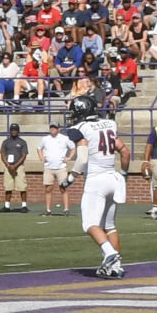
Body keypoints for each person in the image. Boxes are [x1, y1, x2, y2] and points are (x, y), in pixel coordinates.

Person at [71, 94, 130, 278]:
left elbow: (82, 159)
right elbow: (125, 151)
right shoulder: (109, 123)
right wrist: (125, 174)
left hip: (96, 179)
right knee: (110, 226)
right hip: (113, 176)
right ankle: (116, 266)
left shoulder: (80, 128)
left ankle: (110, 253)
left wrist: (70, 178)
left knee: (89, 224)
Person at [39, 120, 73, 215]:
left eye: (54, 127)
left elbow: (73, 148)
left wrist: (69, 157)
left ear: (59, 129)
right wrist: (41, 157)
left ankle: (66, 209)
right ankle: (48, 209)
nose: (53, 129)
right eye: (51, 127)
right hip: (48, 168)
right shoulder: (45, 139)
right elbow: (39, 149)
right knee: (48, 189)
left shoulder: (65, 138)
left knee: (63, 188)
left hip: (61, 167)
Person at [0, 121, 29, 212]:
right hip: (8, 167)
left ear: (18, 131)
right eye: (12, 130)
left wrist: (15, 166)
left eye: (15, 130)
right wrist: (8, 165)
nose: (14, 132)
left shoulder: (22, 142)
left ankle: (24, 206)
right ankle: (7, 206)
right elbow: (2, 155)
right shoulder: (6, 142)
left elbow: (24, 156)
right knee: (8, 186)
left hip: (18, 166)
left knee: (22, 186)